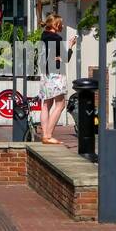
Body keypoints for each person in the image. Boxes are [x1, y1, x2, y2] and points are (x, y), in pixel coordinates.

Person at [38, 13, 76, 145]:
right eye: (61, 23)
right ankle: (48, 135)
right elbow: (66, 58)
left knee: (46, 104)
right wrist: (70, 46)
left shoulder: (43, 36)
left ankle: (44, 135)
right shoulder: (56, 38)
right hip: (56, 74)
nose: (63, 25)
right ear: (55, 25)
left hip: (45, 74)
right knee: (60, 104)